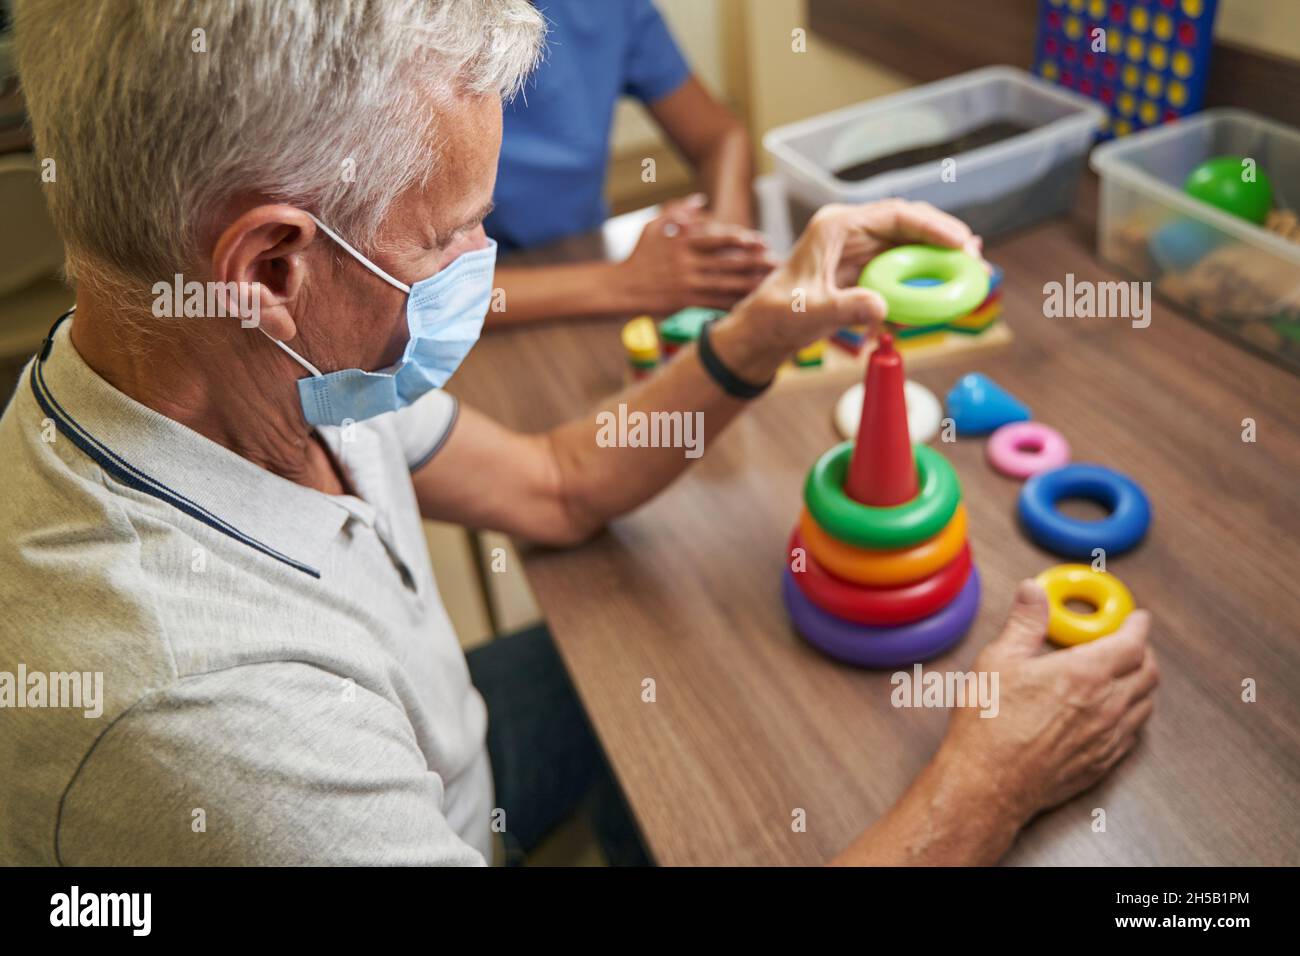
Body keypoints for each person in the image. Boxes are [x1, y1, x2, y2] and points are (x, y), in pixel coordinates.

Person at [0, 0, 1157, 866]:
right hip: (403, 795)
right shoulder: (211, 724)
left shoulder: (278, 370)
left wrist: (756, 334)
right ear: (271, 266)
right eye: (456, 232)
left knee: (670, 676)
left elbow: (556, 484)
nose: (482, 266)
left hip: (452, 741)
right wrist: (980, 790)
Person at [485, 0, 774, 325]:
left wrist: (723, 245)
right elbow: (421, 306)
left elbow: (720, 137)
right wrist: (627, 282)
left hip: (581, 259)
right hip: (476, 307)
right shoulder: (428, 30)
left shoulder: (611, 9)